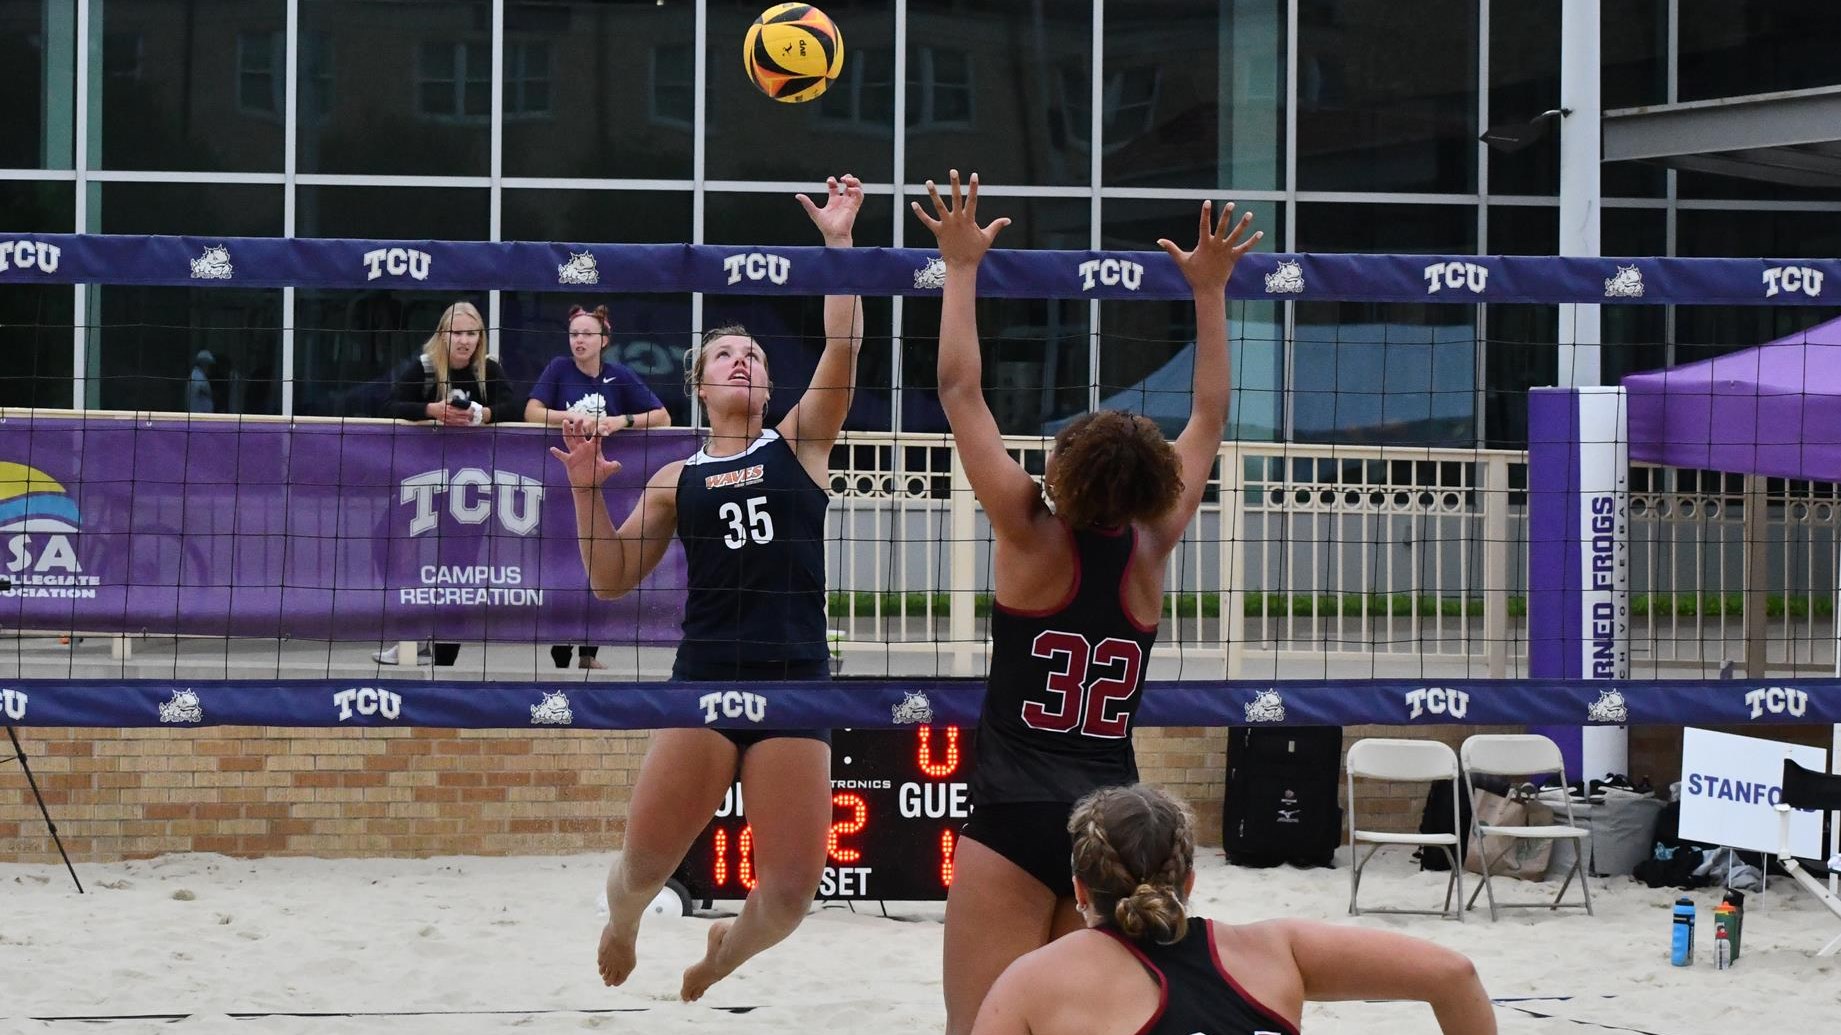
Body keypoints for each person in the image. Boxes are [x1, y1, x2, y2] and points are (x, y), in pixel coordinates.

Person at [912, 170, 1263, 1035]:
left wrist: (960, 269)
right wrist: (1209, 292)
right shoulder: (1152, 544)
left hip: (1010, 815)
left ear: (1063, 470)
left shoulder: (1028, 531)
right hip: (1108, 827)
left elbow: (960, 392)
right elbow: (1209, 417)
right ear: (1151, 487)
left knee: (976, 1029)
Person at [551, 174, 864, 1001]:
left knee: (790, 894)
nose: (742, 360)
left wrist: (838, 246)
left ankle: (723, 951)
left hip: (795, 680)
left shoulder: (799, 443)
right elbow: (609, 578)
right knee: (640, 868)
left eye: (754, 355)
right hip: (706, 679)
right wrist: (584, 490)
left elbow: (842, 348)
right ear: (700, 385)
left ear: (767, 387)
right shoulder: (675, 477)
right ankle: (623, 922)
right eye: (726, 354)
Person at [970, 784, 1498, 1035]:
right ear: (1189, 881)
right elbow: (1454, 975)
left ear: (1080, 891)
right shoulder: (1279, 950)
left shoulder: (1032, 982)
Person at [526, 304, 672, 671]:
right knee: (561, 568)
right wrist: (573, 418)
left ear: (604, 340)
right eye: (574, 334)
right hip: (562, 488)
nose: (579, 340)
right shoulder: (558, 369)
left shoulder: (619, 376)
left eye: (587, 334)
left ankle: (589, 653)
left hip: (606, 489)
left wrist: (620, 421)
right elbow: (532, 412)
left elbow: (662, 416)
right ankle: (560, 651)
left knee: (603, 565)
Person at [373, 300, 508, 667]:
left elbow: (518, 407)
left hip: (471, 485)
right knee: (388, 541)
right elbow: (387, 406)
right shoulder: (425, 367)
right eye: (456, 333)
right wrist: (431, 410)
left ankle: (445, 657)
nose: (464, 340)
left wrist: (484, 414)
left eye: (471, 333)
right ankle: (410, 637)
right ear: (442, 335)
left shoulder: (489, 370)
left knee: (458, 566)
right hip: (424, 479)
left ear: (480, 337)